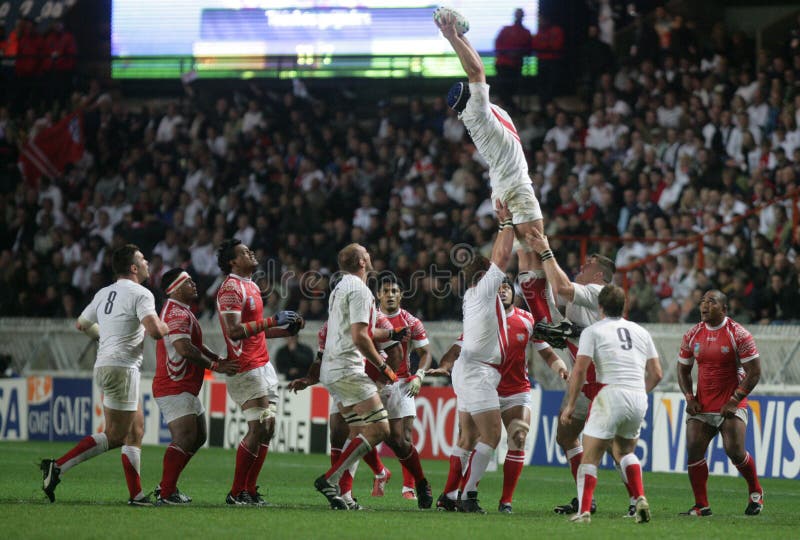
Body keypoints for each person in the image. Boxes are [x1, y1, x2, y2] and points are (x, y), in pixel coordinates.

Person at [435, 12, 550, 326]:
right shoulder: (479, 110)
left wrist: (463, 34)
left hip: (504, 183)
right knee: (537, 248)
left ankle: (543, 319)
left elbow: (476, 70)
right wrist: (453, 37)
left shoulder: (475, 113)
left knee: (528, 251)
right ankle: (546, 318)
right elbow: (476, 68)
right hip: (513, 184)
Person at [41, 244, 169, 505]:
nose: (147, 264)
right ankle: (58, 466)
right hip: (123, 368)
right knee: (115, 435)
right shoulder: (142, 294)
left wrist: (104, 338)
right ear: (134, 268)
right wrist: (168, 325)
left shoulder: (104, 292)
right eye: (143, 259)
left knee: (136, 428)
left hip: (105, 365)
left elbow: (81, 324)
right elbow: (155, 331)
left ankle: (136, 495)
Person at [432, 272, 568, 513]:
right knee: (468, 439)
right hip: (483, 389)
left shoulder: (527, 319)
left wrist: (561, 368)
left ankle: (505, 501)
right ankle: (450, 494)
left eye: (507, 287)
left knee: (519, 438)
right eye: (499, 288)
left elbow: (545, 351)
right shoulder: (483, 320)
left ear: (513, 293)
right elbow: (456, 348)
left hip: (516, 390)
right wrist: (444, 366)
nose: (503, 291)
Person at [433, 201, 515, 513]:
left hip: (472, 369)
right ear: (485, 275)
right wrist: (505, 224)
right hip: (478, 371)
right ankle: (468, 494)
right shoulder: (483, 290)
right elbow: (502, 256)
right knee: (492, 434)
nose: (502, 281)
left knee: (468, 437)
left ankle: (449, 496)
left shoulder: (473, 296)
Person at [561, 284, 662, 524]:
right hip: (638, 396)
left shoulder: (593, 331)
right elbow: (656, 373)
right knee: (625, 452)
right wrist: (638, 391)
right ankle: (639, 497)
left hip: (610, 394)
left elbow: (580, 370)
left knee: (590, 457)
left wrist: (571, 405)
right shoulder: (641, 331)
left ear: (600, 307)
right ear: (624, 305)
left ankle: (584, 511)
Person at [216, 238, 303, 505]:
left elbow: (257, 330)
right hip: (245, 366)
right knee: (258, 427)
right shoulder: (230, 288)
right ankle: (236, 491)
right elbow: (233, 330)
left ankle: (250, 491)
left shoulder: (251, 285)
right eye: (244, 252)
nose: (251, 253)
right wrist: (272, 320)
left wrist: (285, 330)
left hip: (263, 364)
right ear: (233, 261)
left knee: (269, 427)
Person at [289, 315, 406, 510]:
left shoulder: (376, 318)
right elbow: (321, 357)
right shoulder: (327, 327)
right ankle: (340, 490)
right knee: (339, 433)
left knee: (362, 432)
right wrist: (309, 379)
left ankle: (344, 492)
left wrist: (380, 384)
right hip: (342, 379)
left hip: (366, 381)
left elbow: (396, 353)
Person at [313, 243, 398, 510]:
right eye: (366, 252)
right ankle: (330, 479)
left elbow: (363, 331)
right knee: (381, 429)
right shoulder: (360, 290)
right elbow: (360, 336)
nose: (370, 255)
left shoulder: (340, 287)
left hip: (333, 367)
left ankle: (344, 494)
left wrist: (392, 334)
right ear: (362, 261)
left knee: (360, 431)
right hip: (347, 369)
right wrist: (382, 366)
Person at [152, 268, 238, 505]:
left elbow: (195, 345)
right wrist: (214, 365)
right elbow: (184, 349)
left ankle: (167, 488)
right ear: (175, 288)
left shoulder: (182, 311)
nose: (194, 284)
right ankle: (166, 491)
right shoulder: (176, 313)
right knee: (185, 436)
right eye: (188, 282)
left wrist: (218, 360)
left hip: (184, 385)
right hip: (173, 384)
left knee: (198, 435)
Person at [677, 290, 764, 516]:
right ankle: (701, 505)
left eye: (711, 302)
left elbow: (754, 372)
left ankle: (755, 492)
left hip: (731, 402)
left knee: (734, 451)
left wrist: (735, 399)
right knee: (694, 448)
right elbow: (683, 369)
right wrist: (689, 397)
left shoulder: (739, 334)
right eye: (702, 301)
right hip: (703, 404)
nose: (704, 305)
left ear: (723, 309)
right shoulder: (692, 334)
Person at [371, 275, 433, 505]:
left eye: (394, 291)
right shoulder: (369, 318)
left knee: (402, 438)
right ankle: (379, 472)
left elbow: (426, 353)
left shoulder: (411, 321)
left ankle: (411, 485)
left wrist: (420, 375)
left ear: (401, 295)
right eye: (385, 291)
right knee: (365, 433)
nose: (390, 295)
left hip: (402, 382)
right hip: (374, 381)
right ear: (378, 295)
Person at [494, 8, 532, 108]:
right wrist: (508, 53)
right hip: (502, 65)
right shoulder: (506, 30)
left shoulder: (526, 32)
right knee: (503, 89)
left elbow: (529, 49)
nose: (518, 17)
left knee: (512, 89)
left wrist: (518, 53)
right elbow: (498, 45)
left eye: (520, 15)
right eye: (517, 14)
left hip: (516, 66)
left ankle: (511, 108)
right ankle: (510, 107)